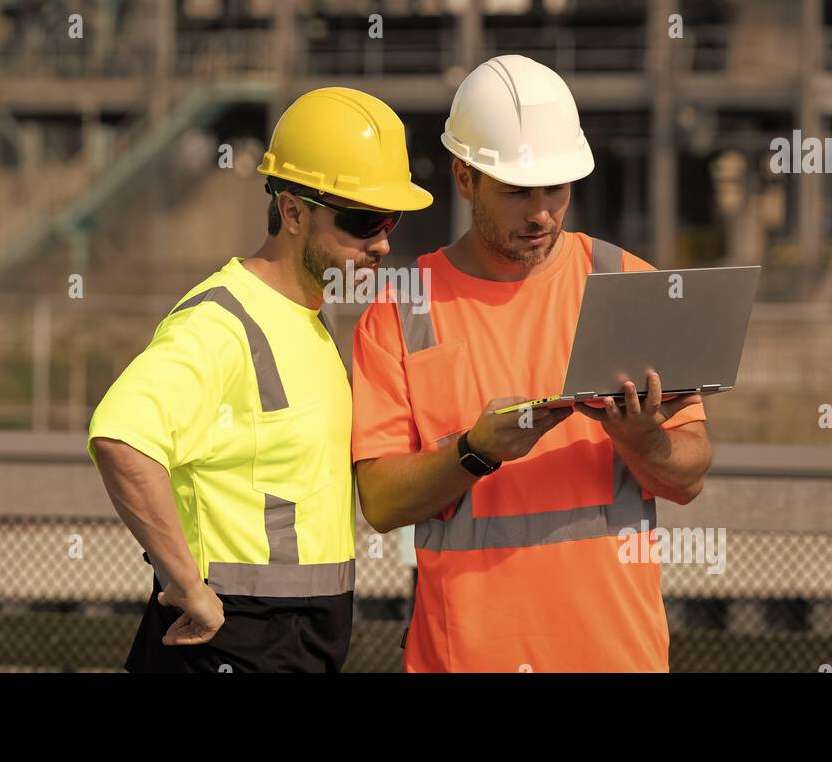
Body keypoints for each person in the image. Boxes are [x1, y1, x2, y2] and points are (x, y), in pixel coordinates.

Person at [351, 55, 714, 672]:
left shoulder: (626, 282)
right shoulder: (401, 309)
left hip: (615, 658)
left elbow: (689, 477)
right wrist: (475, 450)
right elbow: (381, 504)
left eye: (557, 188)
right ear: (464, 178)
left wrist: (642, 443)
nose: (542, 213)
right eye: (518, 191)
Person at [88, 87, 431, 672]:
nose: (383, 242)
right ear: (293, 211)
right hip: (234, 638)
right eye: (362, 220)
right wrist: (188, 587)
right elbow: (121, 437)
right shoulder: (223, 323)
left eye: (390, 219)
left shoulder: (310, 325)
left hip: (289, 639)